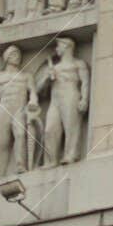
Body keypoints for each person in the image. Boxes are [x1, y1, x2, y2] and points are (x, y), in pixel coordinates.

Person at [41, 37, 91, 165]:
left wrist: (84, 99)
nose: (56, 49)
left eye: (59, 46)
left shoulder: (78, 64)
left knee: (71, 126)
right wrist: (47, 78)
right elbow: (40, 89)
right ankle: (51, 160)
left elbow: (85, 82)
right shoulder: (54, 67)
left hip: (70, 94)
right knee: (49, 129)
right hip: (55, 98)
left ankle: (71, 155)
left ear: (67, 46)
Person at [0, 45, 37, 175]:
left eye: (19, 55)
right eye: (14, 55)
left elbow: (33, 91)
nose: (18, 57)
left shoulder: (26, 76)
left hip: (19, 108)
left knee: (20, 134)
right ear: (7, 58)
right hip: (3, 109)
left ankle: (21, 165)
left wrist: (33, 101)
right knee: (0, 141)